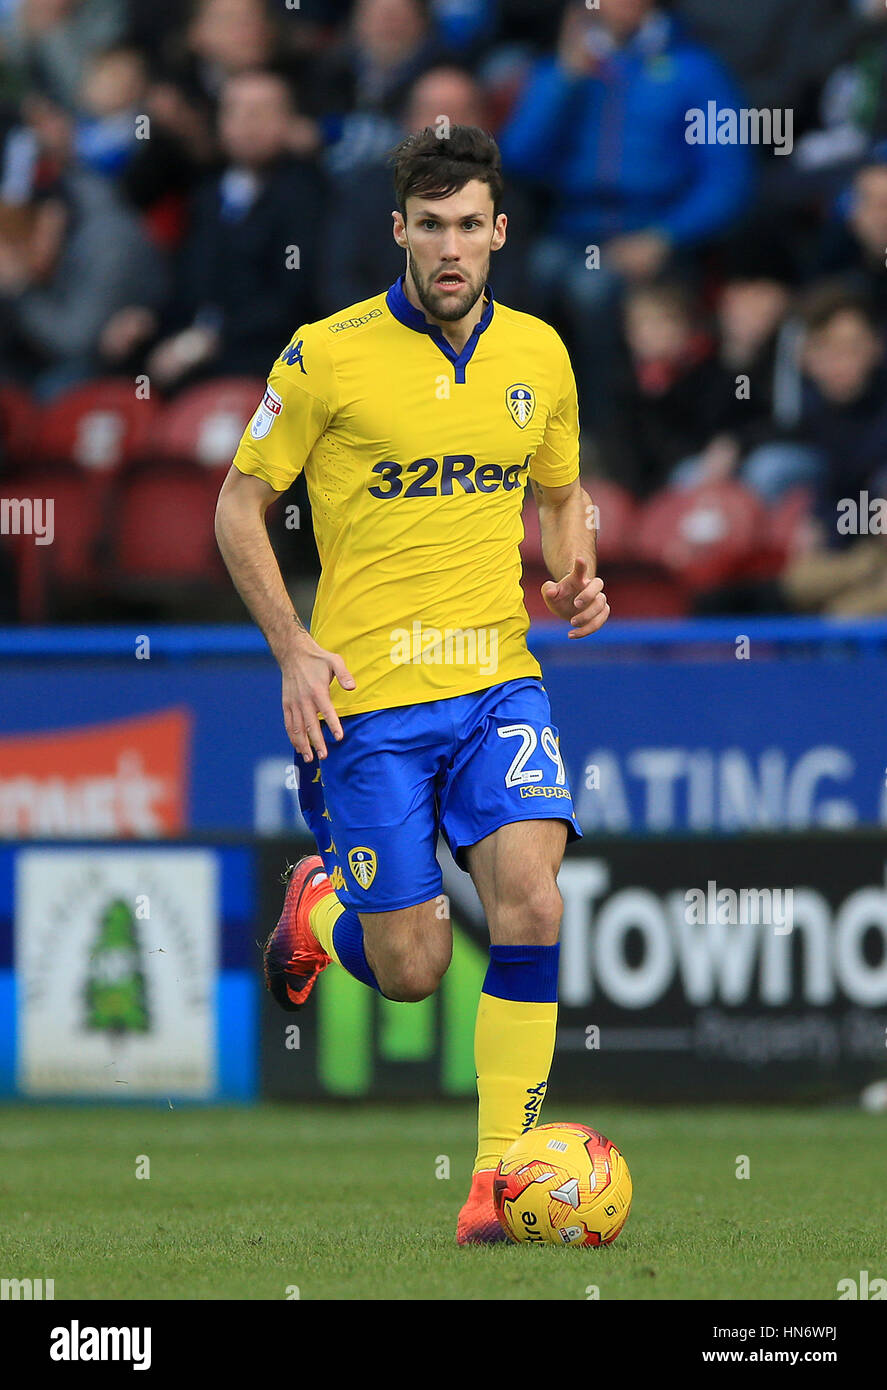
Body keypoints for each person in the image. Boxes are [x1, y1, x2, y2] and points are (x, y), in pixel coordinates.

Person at [214, 125, 609, 1244]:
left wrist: (576, 571)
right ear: (399, 232)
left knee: (532, 895)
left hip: (497, 681)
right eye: (426, 227)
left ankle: (497, 1180)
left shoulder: (538, 354)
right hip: (368, 702)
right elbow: (237, 506)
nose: (448, 248)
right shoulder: (323, 356)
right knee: (413, 970)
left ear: (497, 232)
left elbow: (559, 494)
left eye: (466, 227)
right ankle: (319, 906)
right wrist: (292, 647)